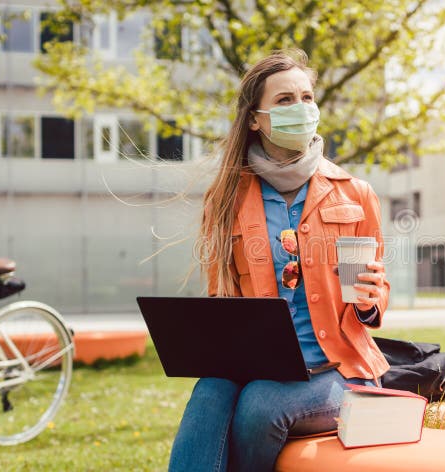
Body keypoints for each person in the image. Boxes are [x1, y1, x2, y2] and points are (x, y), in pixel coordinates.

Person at [168, 49, 391, 471]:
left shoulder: (355, 193)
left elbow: (376, 299)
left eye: (307, 98)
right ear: (255, 118)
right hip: (258, 367)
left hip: (339, 371)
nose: (302, 109)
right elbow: (221, 297)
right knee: (209, 393)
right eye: (285, 100)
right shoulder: (226, 201)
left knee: (259, 405)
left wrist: (369, 300)